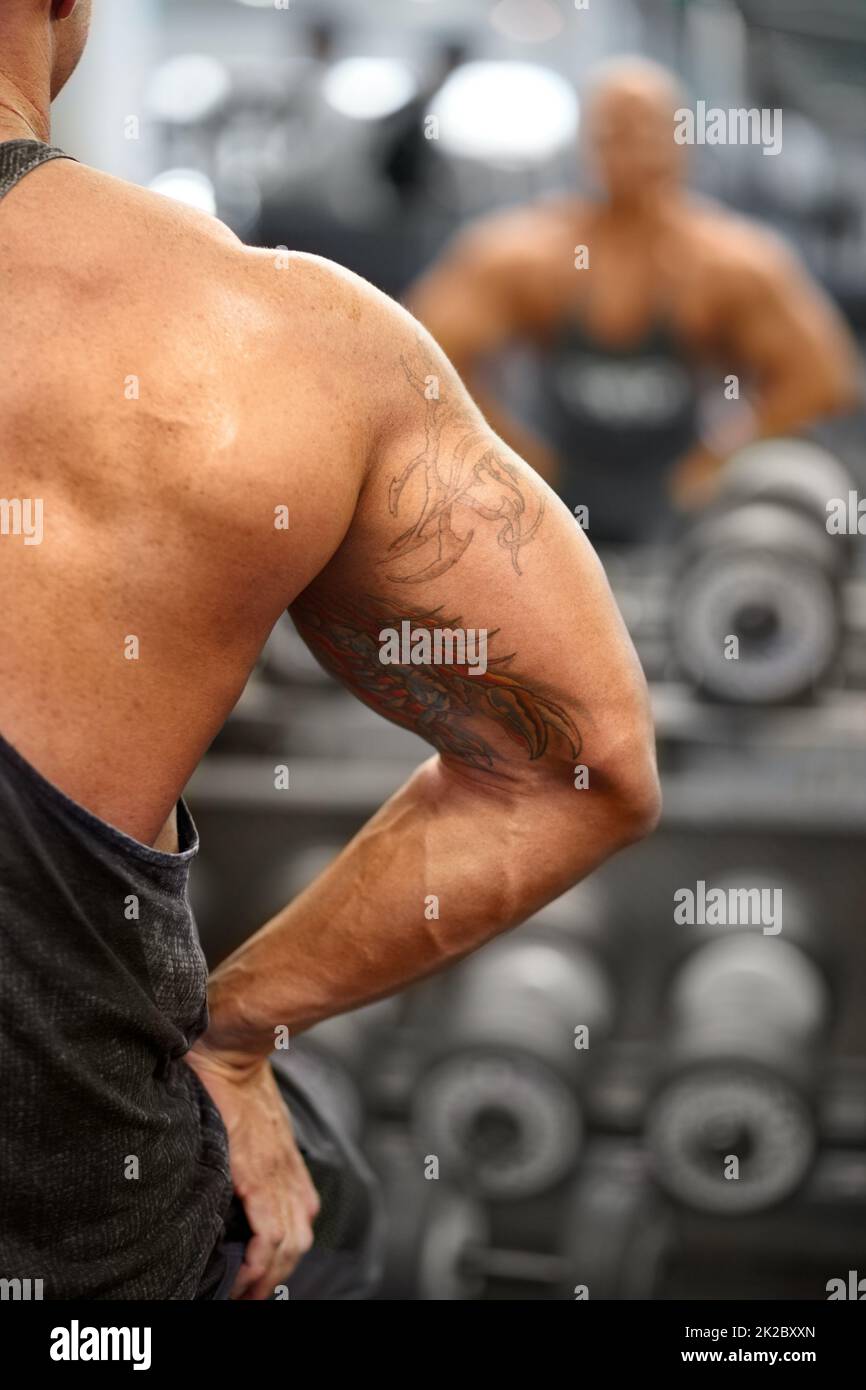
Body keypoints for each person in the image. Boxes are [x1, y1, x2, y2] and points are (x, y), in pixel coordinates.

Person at [0, 1, 659, 1301]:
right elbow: (585, 768)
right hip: (88, 1268)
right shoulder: (277, 340)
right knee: (327, 1220)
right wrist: (235, 1036)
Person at [407, 57, 860, 543]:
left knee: (805, 483)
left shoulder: (730, 264)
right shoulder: (526, 255)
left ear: (680, 140)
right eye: (614, 131)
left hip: (684, 493)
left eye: (646, 130)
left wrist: (719, 461)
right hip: (549, 491)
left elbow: (825, 378)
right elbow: (418, 357)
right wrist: (505, 454)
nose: (630, 148)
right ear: (588, 144)